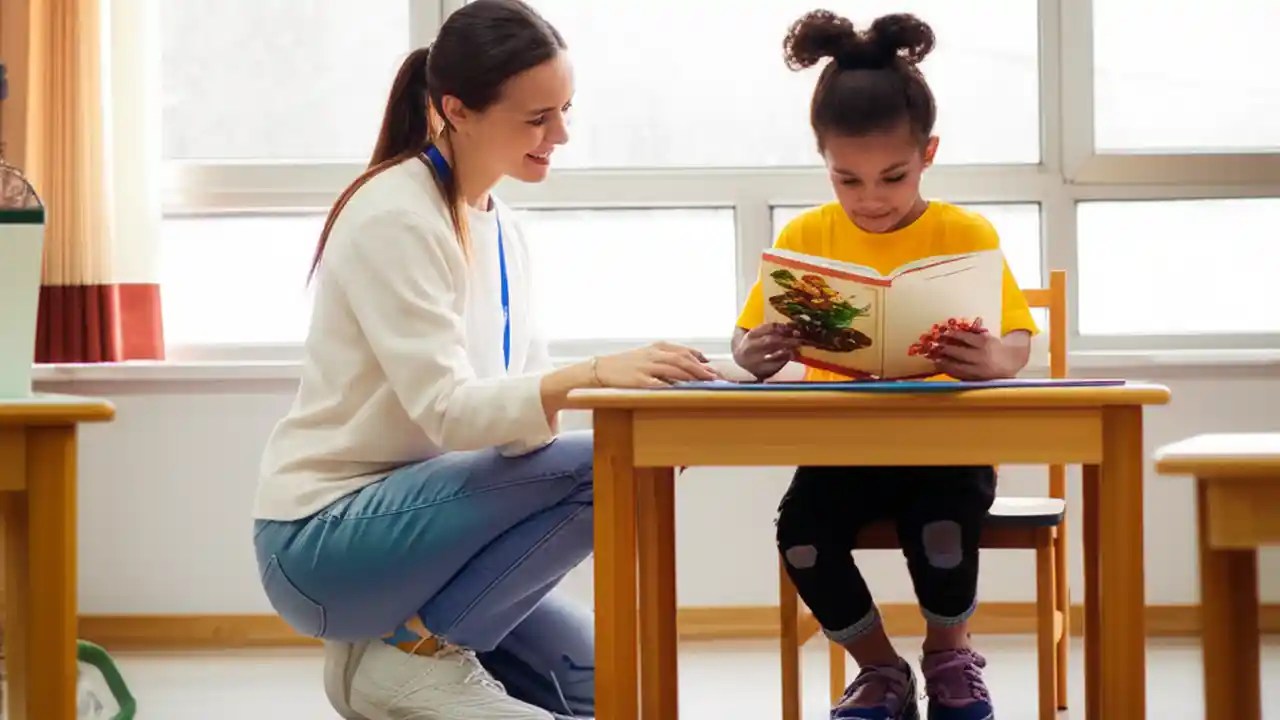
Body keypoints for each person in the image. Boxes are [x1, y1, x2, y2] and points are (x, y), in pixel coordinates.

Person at [251, 2, 718, 719]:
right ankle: (412, 654)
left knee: (600, 691)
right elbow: (447, 410)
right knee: (620, 463)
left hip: (427, 529)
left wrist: (635, 402)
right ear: (457, 111)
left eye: (564, 110)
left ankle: (394, 650)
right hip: (324, 542)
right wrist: (591, 377)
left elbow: (516, 433)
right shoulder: (395, 215)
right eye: (537, 118)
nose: (561, 134)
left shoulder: (500, 226)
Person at [733, 10, 1037, 720]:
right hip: (840, 447)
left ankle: (949, 656)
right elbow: (746, 342)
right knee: (802, 538)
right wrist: (753, 352)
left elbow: (1018, 341)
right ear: (824, 162)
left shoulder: (966, 233)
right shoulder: (806, 235)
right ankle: (880, 671)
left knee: (941, 526)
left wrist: (994, 357)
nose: (869, 199)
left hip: (946, 445)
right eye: (848, 179)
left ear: (928, 154)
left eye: (892, 177)